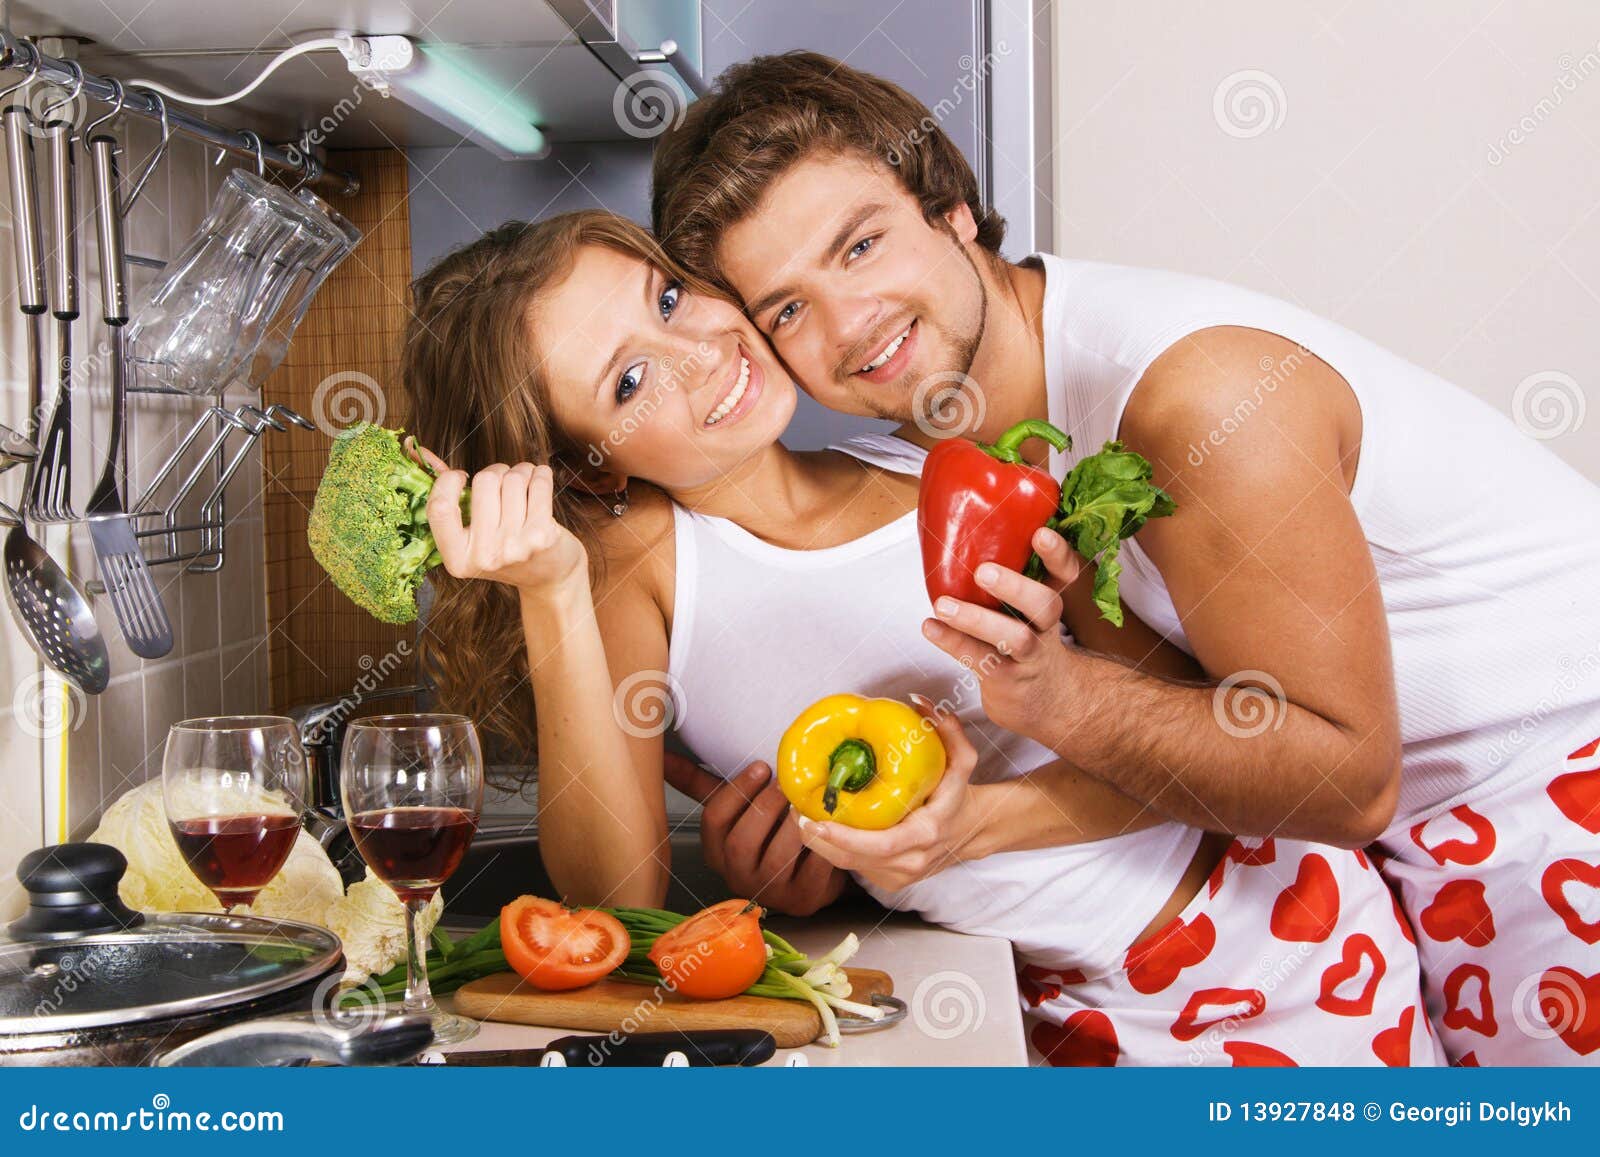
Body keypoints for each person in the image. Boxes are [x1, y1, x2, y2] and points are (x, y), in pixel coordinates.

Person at [649, 51, 1600, 1065]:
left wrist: (1044, 727)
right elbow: (1209, 719)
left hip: (1551, 794)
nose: (848, 324)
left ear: (951, 207)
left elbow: (1343, 776)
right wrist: (847, 854)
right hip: (1407, 843)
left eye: (861, 244)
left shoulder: (1194, 400)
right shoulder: (948, 435)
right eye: (786, 307)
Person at [400, 209, 1437, 1066]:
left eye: (669, 298)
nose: (700, 352)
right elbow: (610, 913)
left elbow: (1179, 736)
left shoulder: (939, 466)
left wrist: (969, 821)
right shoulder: (638, 571)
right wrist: (549, 586)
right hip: (1034, 1001)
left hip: (1279, 939)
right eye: (627, 383)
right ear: (589, 470)